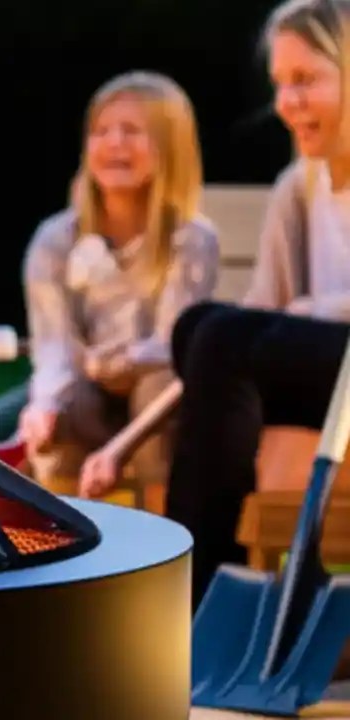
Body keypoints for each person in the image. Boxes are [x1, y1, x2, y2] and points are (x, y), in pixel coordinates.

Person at [141, 0, 350, 610]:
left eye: (305, 81)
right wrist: (123, 443)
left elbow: (284, 321)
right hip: (331, 376)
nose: (286, 103)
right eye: (281, 84)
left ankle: (192, 598)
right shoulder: (301, 185)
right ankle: (214, 590)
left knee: (222, 337)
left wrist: (316, 307)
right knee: (198, 328)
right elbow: (261, 311)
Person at [0, 72, 219, 490]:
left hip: (158, 397)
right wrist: (44, 405)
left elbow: (176, 342)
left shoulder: (192, 240)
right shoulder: (56, 240)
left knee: (157, 389)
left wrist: (120, 362)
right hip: (80, 389)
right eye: (101, 131)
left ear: (170, 148)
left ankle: (161, 537)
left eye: (132, 131)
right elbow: (54, 345)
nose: (114, 143)